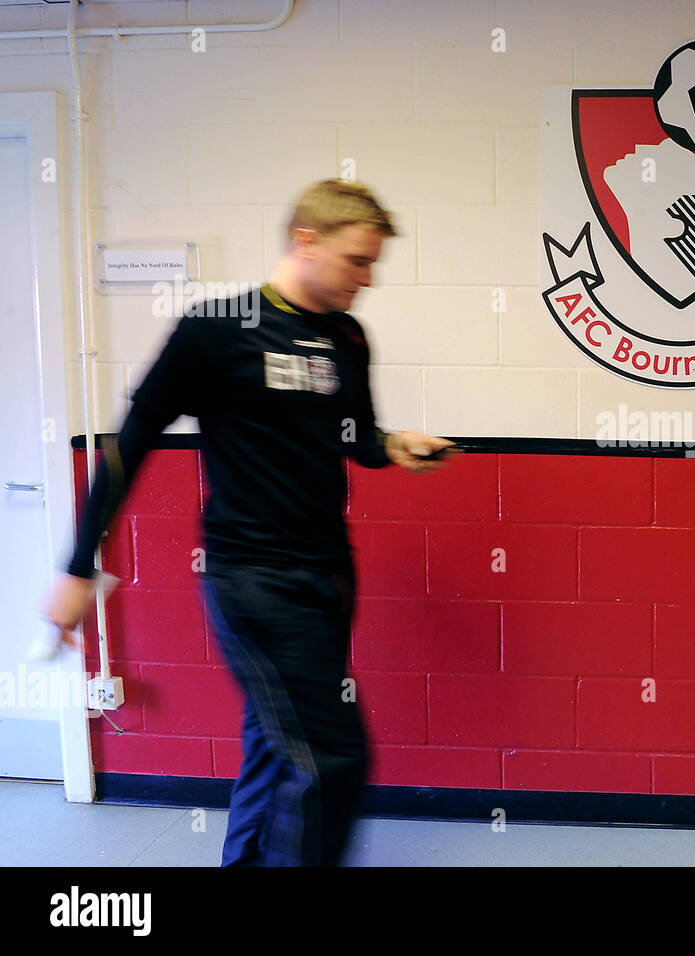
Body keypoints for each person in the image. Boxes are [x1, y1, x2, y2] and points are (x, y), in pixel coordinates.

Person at [42, 179, 459, 866]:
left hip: (328, 573)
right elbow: (132, 442)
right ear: (306, 241)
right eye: (358, 261)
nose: (368, 278)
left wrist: (395, 446)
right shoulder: (214, 331)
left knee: (277, 740)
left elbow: (355, 439)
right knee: (331, 758)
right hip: (253, 582)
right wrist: (78, 566)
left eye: (373, 264)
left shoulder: (346, 336)